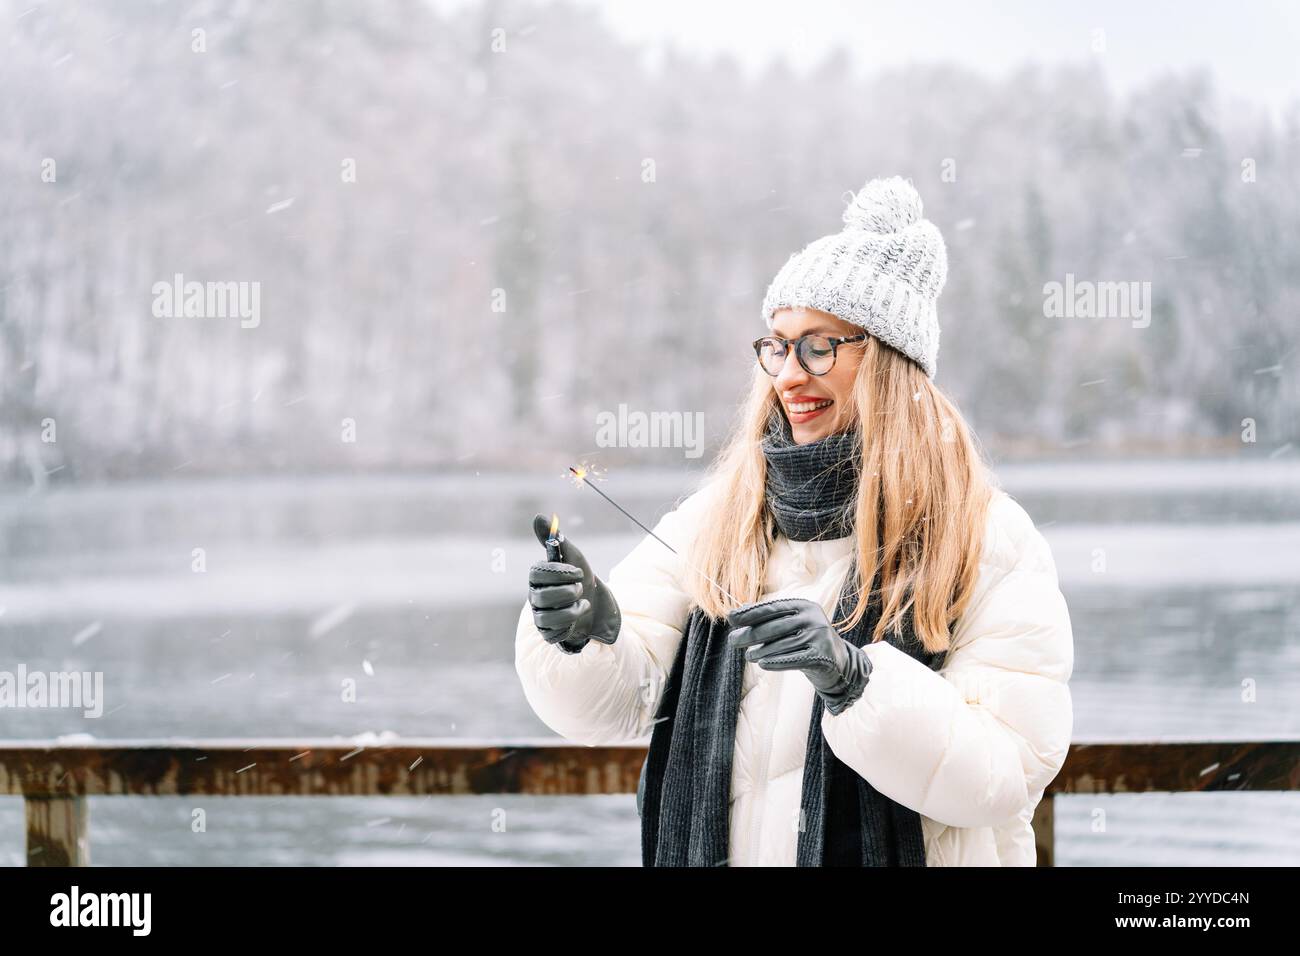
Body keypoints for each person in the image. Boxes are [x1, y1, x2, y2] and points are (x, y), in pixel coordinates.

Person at [515, 175, 1074, 866]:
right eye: (778, 344)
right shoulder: (717, 522)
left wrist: (856, 682)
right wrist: (586, 638)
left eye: (819, 345)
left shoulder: (988, 539)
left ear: (888, 362)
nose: (787, 374)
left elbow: (1006, 773)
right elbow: (611, 709)